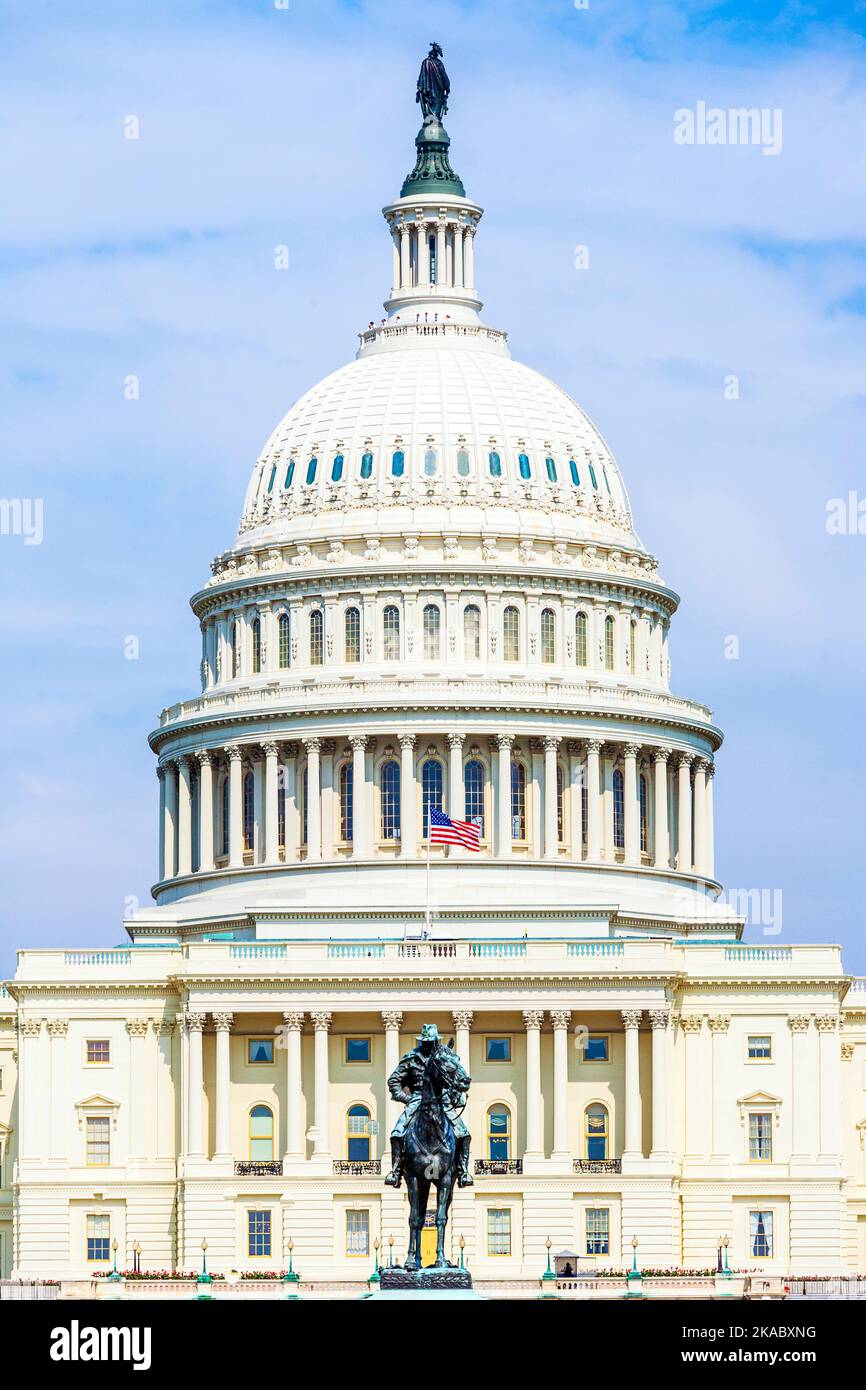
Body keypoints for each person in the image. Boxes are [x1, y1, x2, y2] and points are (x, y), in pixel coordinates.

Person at [384, 1023, 473, 1187]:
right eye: (427, 1041)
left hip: (442, 1099)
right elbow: (394, 1081)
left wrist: (454, 1092)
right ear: (422, 1042)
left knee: (463, 1133)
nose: (430, 1044)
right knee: (397, 1132)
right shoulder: (411, 1058)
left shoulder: (444, 1056)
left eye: (432, 1041)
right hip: (417, 1098)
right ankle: (395, 1171)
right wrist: (406, 1098)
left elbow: (454, 1077)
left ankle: (463, 1171)